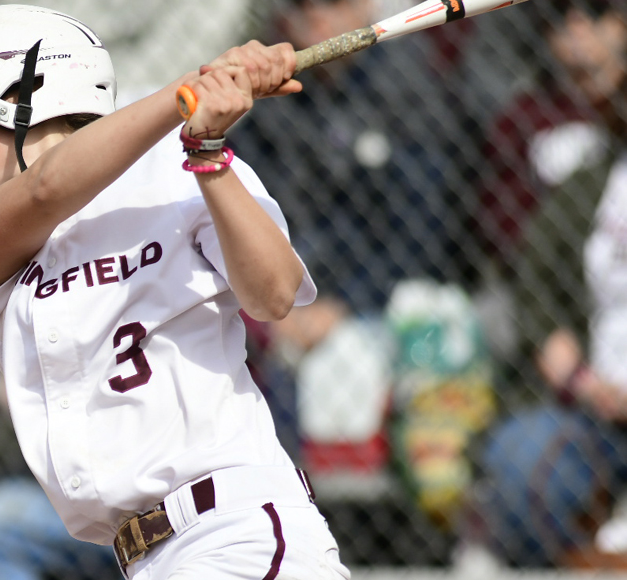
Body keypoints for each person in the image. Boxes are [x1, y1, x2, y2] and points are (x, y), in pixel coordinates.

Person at [0, 5, 347, 579]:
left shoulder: (174, 168)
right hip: (142, 558)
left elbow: (272, 296)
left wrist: (208, 154)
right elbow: (48, 187)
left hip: (235, 530)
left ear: (29, 86)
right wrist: (188, 90)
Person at [466, 0, 627, 569]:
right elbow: (532, 280)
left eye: (597, 15)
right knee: (522, 458)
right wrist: (582, 378)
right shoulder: (597, 179)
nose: (579, 33)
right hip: (600, 412)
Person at [226, 0, 479, 316]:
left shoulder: (404, 85)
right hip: (281, 289)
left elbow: (420, 228)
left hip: (383, 299)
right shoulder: (273, 97)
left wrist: (345, 305)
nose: (316, 15)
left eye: (332, 2)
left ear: (365, 7)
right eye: (300, 5)